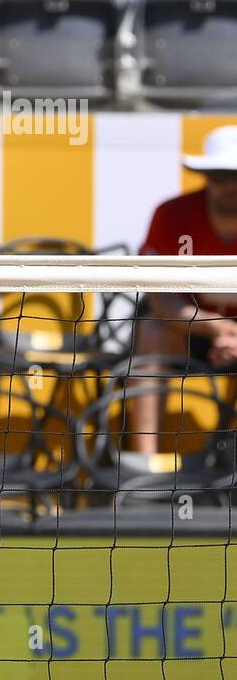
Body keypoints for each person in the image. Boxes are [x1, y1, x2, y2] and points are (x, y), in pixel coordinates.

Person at [130, 126, 237, 454]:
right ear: (205, 176)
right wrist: (217, 327)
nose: (231, 186)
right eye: (221, 176)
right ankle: (143, 473)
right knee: (152, 332)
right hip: (188, 332)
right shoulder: (171, 214)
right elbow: (158, 295)